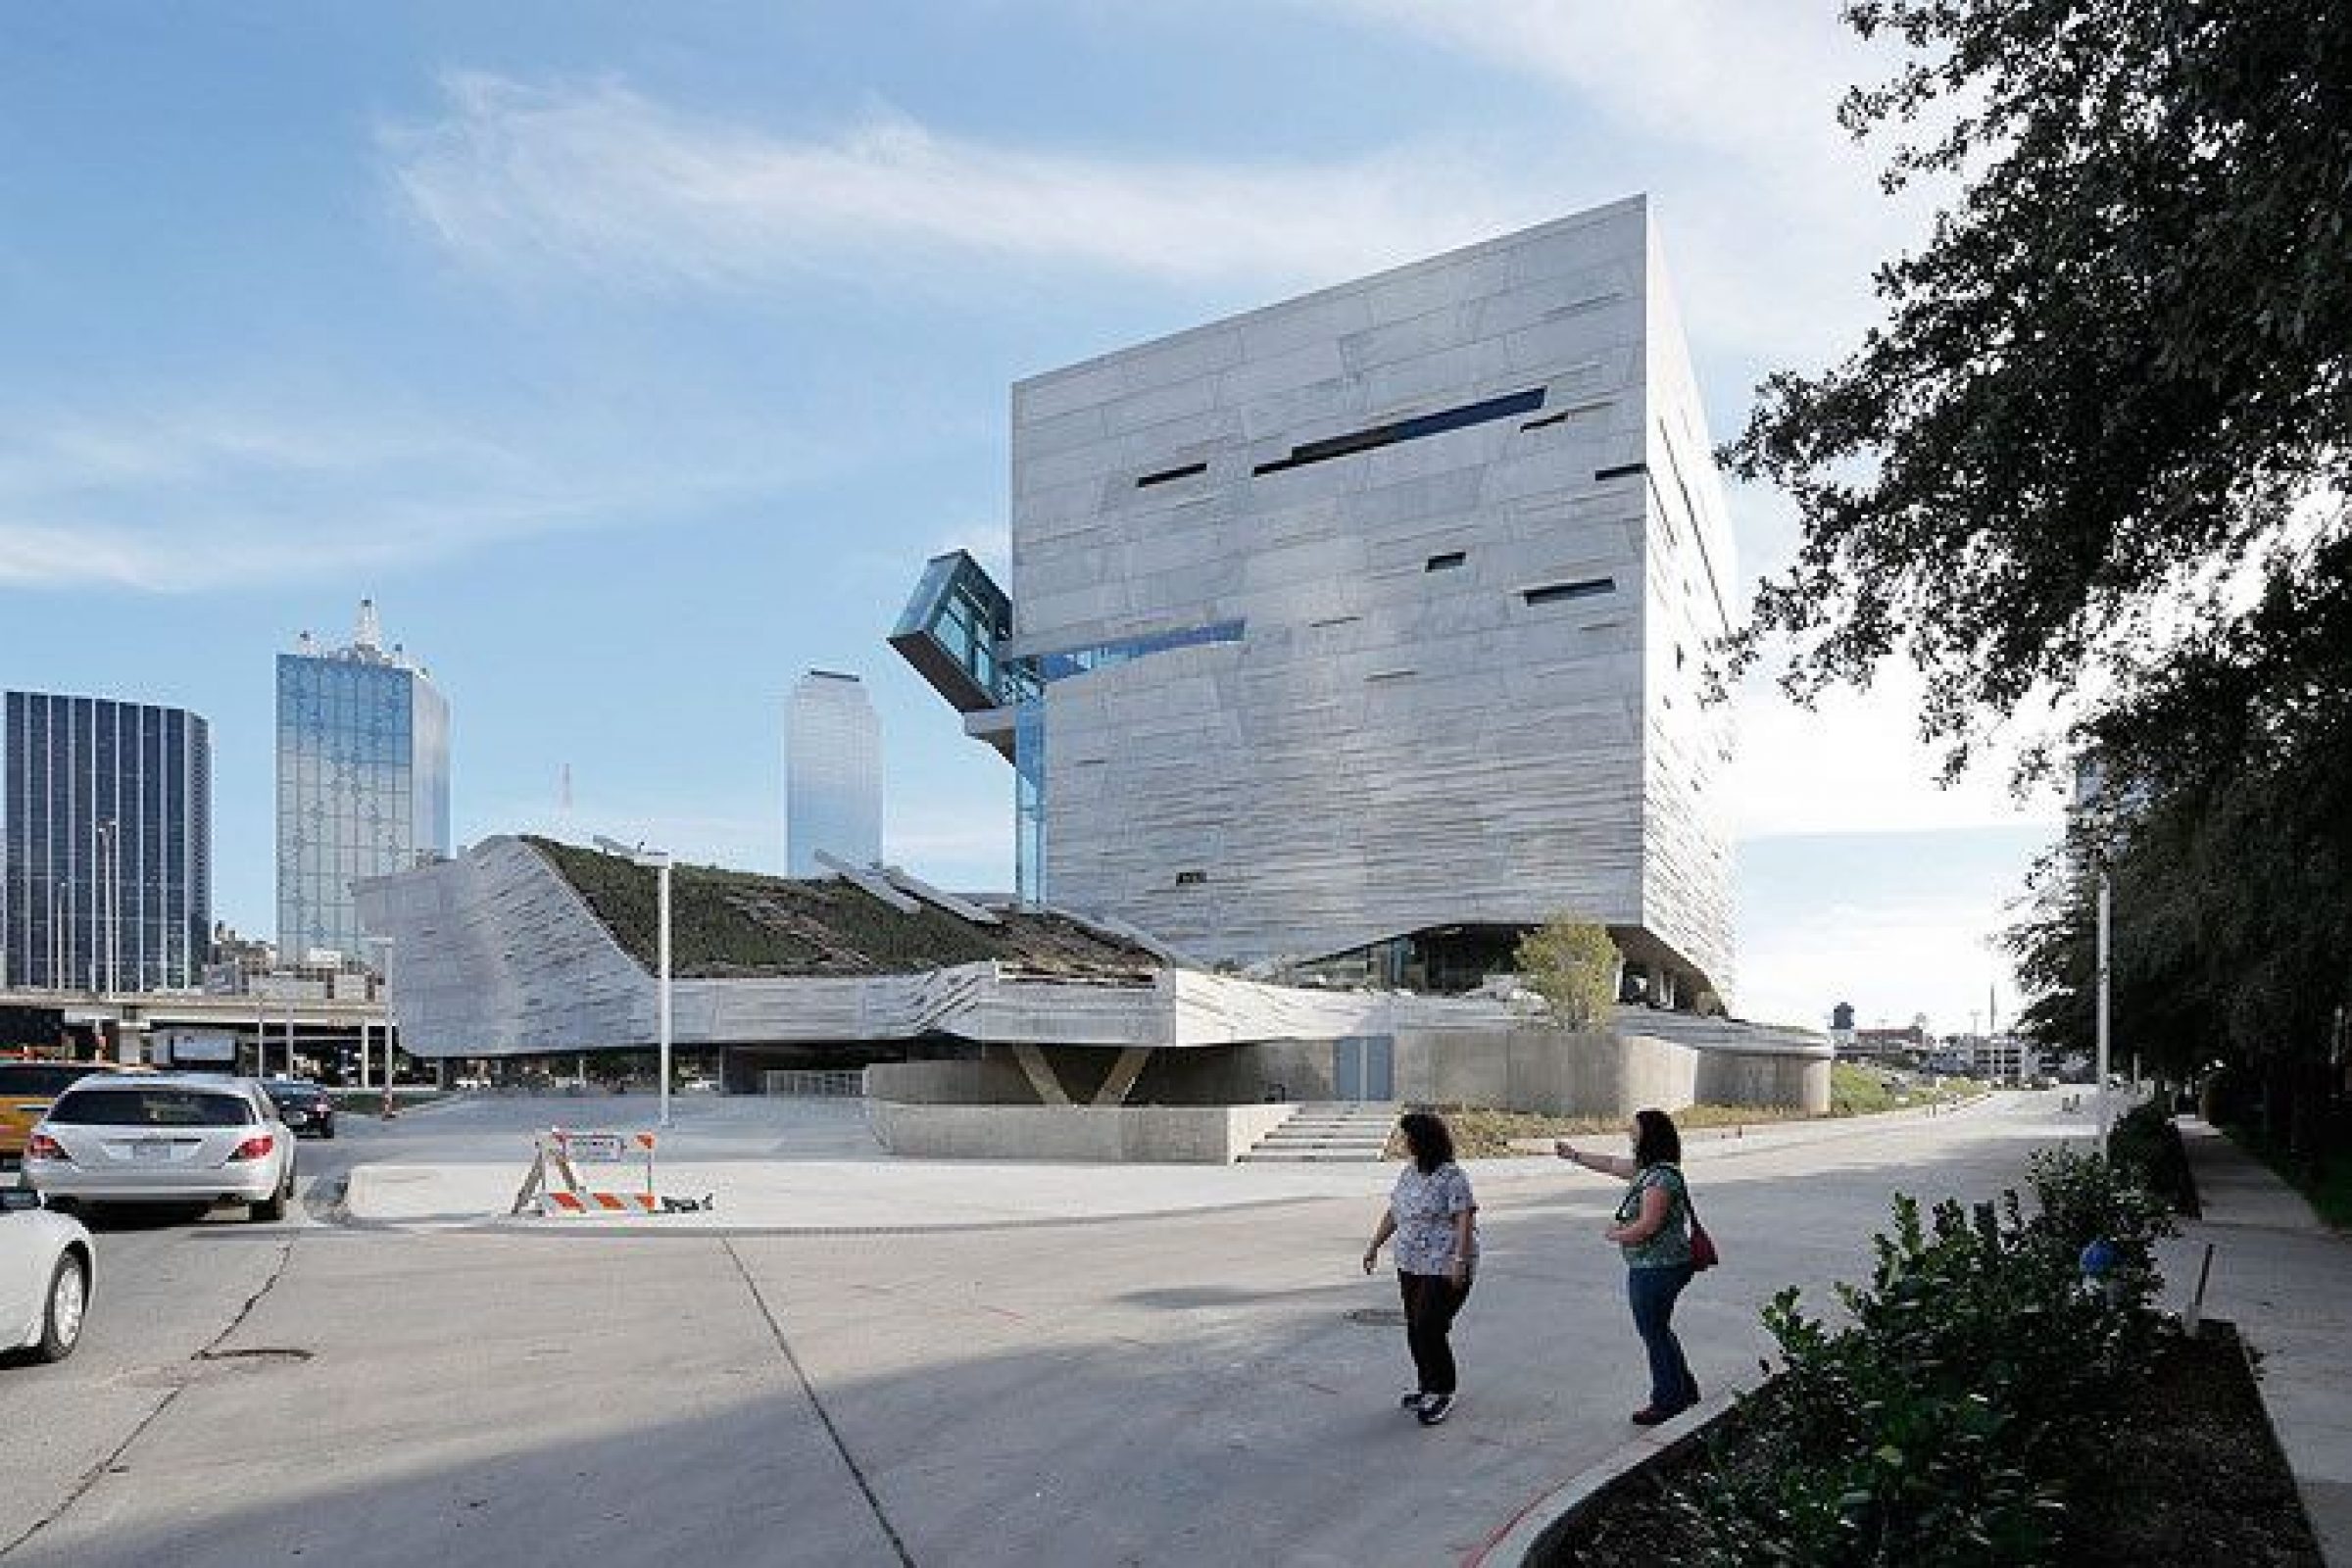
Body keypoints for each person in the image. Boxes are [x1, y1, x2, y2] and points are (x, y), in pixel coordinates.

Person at [1556, 1108, 1699, 1425]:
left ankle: (1668, 1401)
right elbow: (1610, 1164)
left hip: (1657, 1267)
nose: (1629, 1133)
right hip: (1657, 1265)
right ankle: (1683, 1389)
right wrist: (1574, 1155)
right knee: (1659, 1330)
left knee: (1654, 1332)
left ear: (1650, 1135)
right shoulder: (1649, 1171)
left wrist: (1616, 1234)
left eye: (1635, 1129)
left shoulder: (1660, 1178)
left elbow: (1648, 1226)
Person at [1362, 1110, 1478, 1427]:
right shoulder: (1409, 1173)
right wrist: (1374, 1246)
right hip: (1410, 1261)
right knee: (1415, 1327)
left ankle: (1443, 1390)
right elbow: (1395, 1212)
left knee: (1429, 1325)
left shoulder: (1452, 1176)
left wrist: (1460, 1261)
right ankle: (1427, 1385)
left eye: (1408, 1138)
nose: (1404, 1143)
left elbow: (1464, 1219)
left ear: (1423, 1141)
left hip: (1444, 1264)